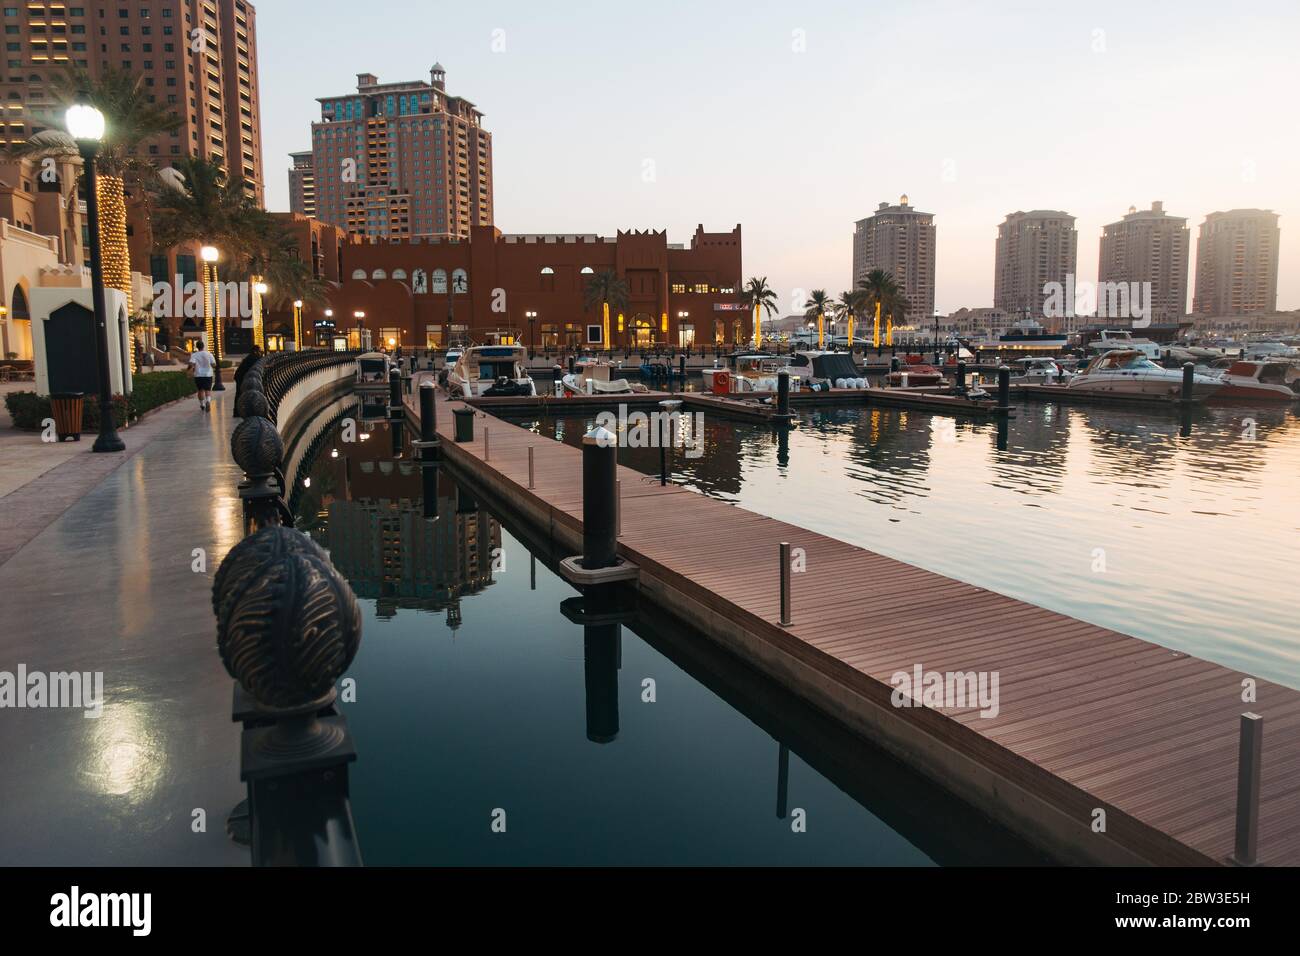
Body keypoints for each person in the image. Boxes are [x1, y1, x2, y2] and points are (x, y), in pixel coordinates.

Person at [189, 339, 217, 412]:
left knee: (200, 390)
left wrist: (188, 369)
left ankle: (202, 405)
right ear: (203, 346)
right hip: (208, 374)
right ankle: (208, 401)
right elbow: (214, 364)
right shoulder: (209, 354)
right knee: (208, 390)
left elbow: (191, 364)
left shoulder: (194, 355)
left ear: (197, 347)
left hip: (198, 375)